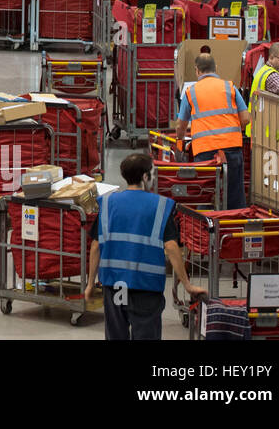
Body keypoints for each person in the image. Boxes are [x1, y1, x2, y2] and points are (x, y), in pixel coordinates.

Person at [85, 153, 206, 340]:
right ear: (145, 177)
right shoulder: (160, 206)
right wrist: (187, 285)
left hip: (116, 286)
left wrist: (90, 283)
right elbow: (172, 248)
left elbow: (95, 246)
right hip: (145, 288)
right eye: (152, 173)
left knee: (116, 335)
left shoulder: (108, 203)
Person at [174, 53, 250, 209]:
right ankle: (231, 226)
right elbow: (246, 119)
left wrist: (180, 143)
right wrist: (234, 131)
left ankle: (204, 226)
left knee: (204, 194)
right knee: (235, 194)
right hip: (232, 147)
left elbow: (180, 125)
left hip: (204, 150)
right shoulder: (230, 87)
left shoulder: (191, 92)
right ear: (216, 68)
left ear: (197, 70)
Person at [247, 42, 279, 135]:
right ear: (271, 58)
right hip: (266, 134)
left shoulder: (265, 71)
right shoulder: (270, 75)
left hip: (262, 132)